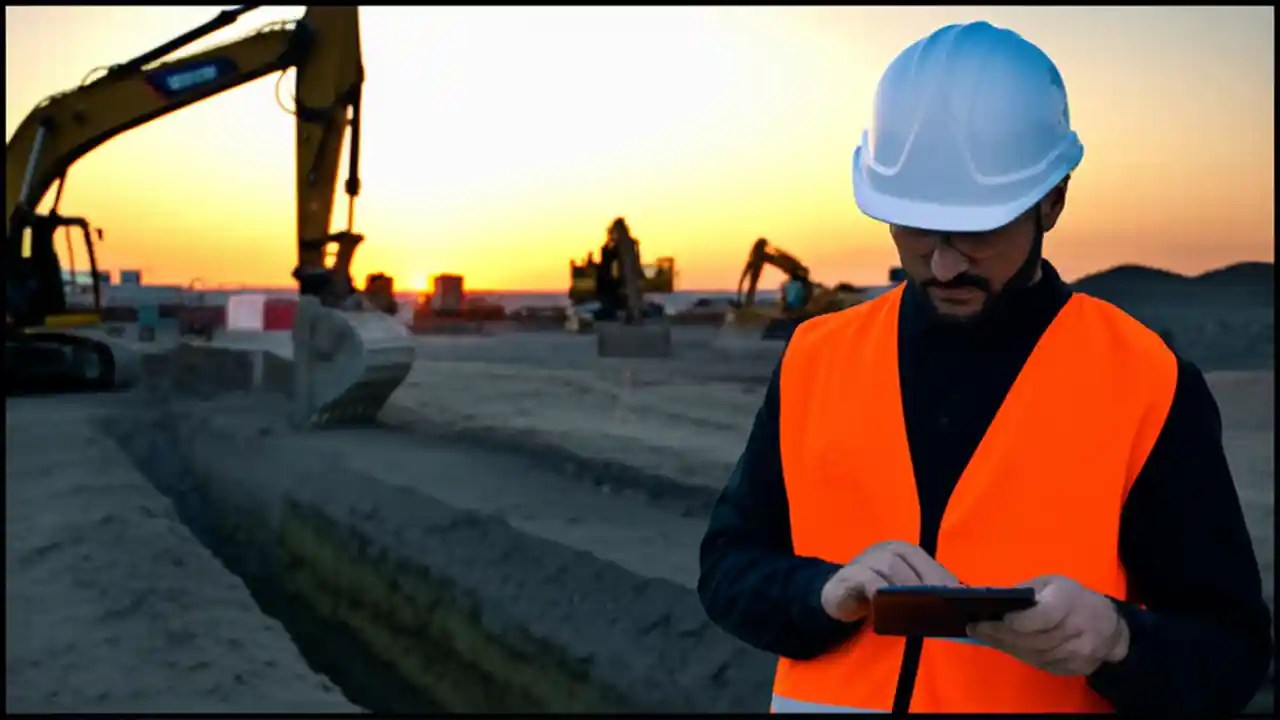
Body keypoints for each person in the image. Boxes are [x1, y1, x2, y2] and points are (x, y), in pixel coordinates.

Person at [697, 20, 1272, 715]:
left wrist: (1119, 642)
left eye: (977, 230)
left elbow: (1231, 655)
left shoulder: (1147, 383)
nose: (942, 263)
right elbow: (728, 567)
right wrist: (823, 592)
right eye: (913, 226)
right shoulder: (816, 359)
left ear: (1053, 200)